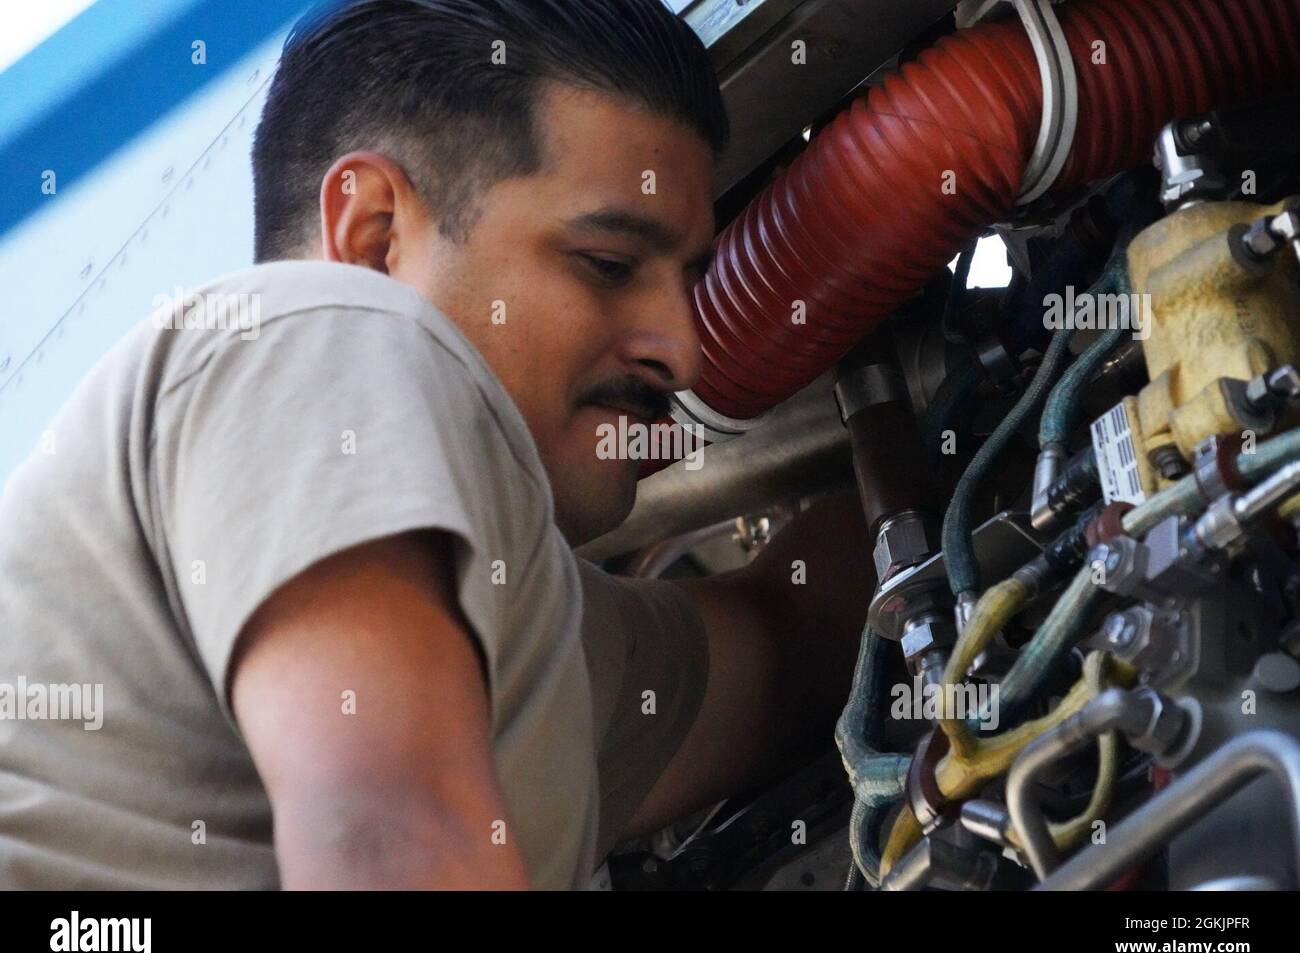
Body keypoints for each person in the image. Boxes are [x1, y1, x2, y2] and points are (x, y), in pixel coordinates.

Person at [0, 0, 872, 889]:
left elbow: (793, 638)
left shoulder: (541, 649)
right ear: (376, 237)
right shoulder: (318, 335)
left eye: (687, 279)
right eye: (608, 264)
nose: (680, 347)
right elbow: (387, 839)